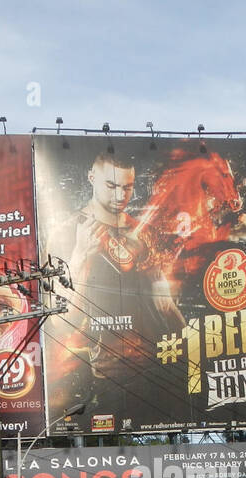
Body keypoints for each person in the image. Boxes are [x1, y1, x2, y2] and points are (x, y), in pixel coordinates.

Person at [45, 152, 185, 423]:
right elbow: (61, 321)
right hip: (97, 383)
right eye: (111, 186)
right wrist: (80, 254)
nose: (121, 195)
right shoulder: (66, 232)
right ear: (91, 178)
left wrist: (168, 303)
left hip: (160, 377)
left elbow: (170, 315)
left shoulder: (143, 232)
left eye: (128, 187)